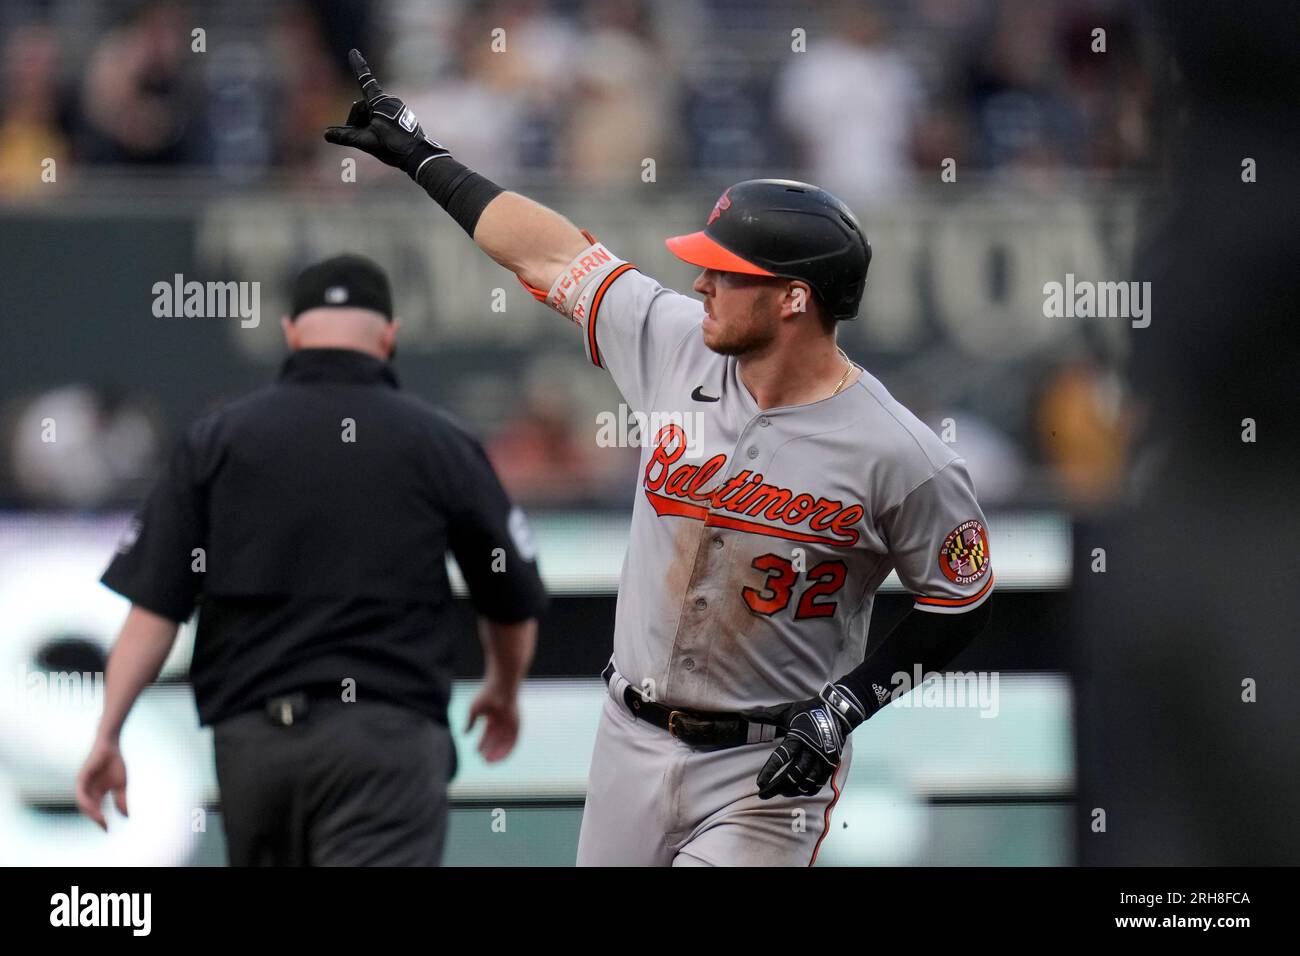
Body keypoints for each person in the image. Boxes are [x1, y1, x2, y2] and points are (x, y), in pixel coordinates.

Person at [324, 51, 992, 866]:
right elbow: (548, 254)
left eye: (725, 270)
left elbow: (959, 597)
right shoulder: (674, 341)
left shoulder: (902, 452)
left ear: (793, 299)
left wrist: (846, 708)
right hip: (629, 737)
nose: (701, 281)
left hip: (768, 765)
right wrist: (424, 159)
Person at [75, 254, 546, 866]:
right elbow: (509, 597)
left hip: (256, 749)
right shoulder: (440, 442)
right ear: (390, 336)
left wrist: (108, 732)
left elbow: (155, 610)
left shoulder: (218, 439)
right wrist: (503, 690)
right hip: (385, 748)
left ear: (292, 332)